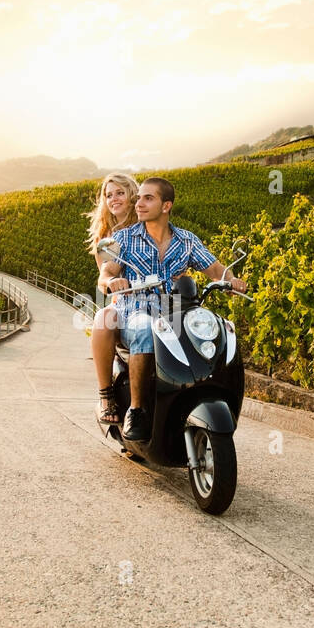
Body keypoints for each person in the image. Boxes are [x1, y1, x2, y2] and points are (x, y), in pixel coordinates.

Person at [96, 176, 246, 440]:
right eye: (138, 197)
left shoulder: (187, 240)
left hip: (175, 315)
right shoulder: (124, 238)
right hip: (136, 315)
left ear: (166, 206)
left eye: (147, 198)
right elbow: (106, 271)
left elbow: (214, 269)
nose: (138, 203)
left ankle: (198, 396)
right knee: (144, 327)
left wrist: (231, 281)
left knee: (213, 328)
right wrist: (111, 280)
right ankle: (137, 409)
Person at [85, 173, 140, 423]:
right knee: (104, 318)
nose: (114, 199)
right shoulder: (106, 238)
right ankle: (106, 395)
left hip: (158, 299)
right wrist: (111, 282)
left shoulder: (148, 223)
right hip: (126, 303)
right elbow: (105, 278)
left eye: (120, 192)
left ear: (132, 195)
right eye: (109, 195)